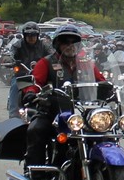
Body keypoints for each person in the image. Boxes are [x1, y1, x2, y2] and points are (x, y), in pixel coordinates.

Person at [20, 26, 114, 168]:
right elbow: (35, 82)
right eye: (65, 42)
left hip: (83, 111)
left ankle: (111, 173)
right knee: (36, 130)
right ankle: (37, 173)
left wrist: (116, 92)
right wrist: (31, 92)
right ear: (57, 44)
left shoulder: (86, 63)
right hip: (53, 110)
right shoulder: (46, 62)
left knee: (108, 131)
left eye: (74, 42)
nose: (70, 46)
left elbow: (101, 81)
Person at [5, 23, 51, 115]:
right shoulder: (18, 45)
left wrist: (52, 61)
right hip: (22, 75)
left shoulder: (44, 45)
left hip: (40, 76)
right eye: (28, 35)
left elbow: (52, 54)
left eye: (33, 35)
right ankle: (13, 114)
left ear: (37, 35)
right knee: (15, 86)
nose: (31, 37)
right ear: (24, 35)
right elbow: (9, 55)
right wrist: (11, 60)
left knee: (52, 88)